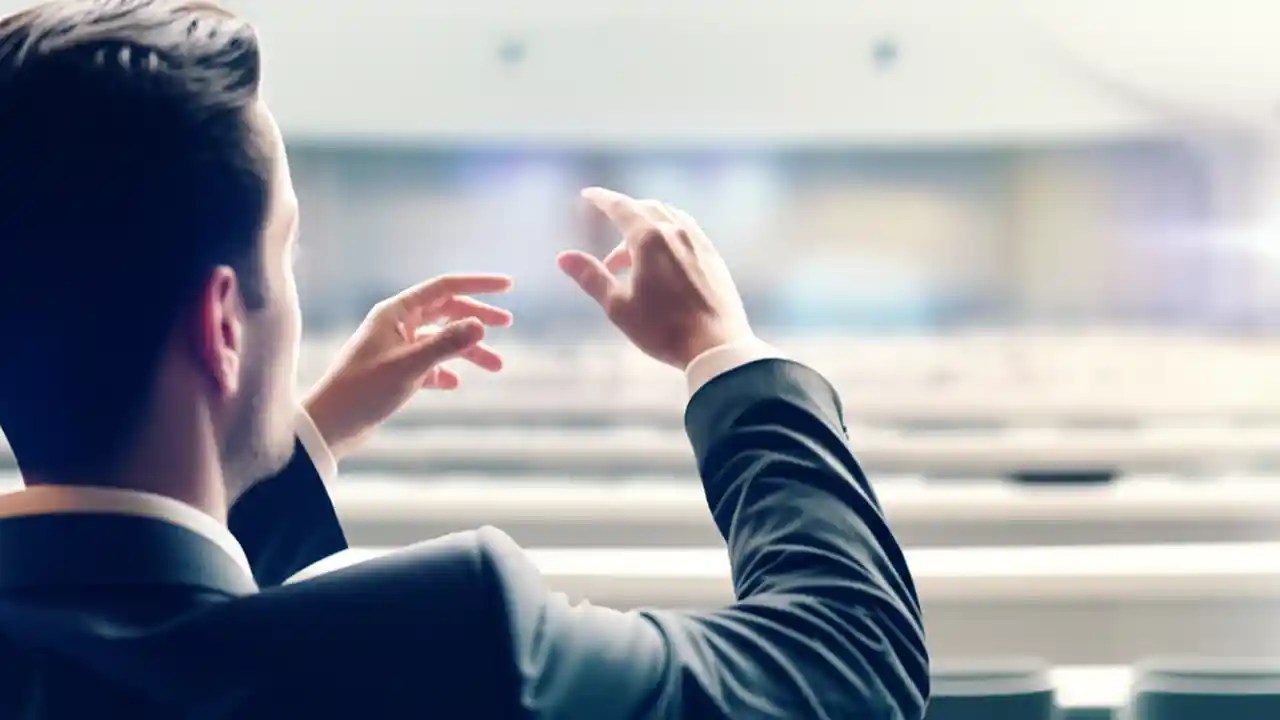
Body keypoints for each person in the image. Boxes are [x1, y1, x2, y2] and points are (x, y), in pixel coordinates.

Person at [0, 1, 928, 718]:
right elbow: (846, 665)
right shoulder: (446, 637)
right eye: (283, 253)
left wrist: (304, 437)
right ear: (224, 328)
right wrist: (725, 356)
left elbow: (140, 627)